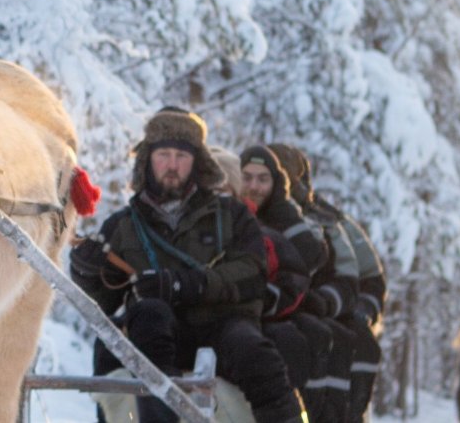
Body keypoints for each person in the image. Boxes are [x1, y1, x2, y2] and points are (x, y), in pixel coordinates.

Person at [70, 108, 304, 423]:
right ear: (147, 160)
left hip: (223, 326)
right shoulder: (123, 225)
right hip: (156, 332)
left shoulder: (231, 215)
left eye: (181, 156)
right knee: (148, 314)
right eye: (163, 154)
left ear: (197, 163)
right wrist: (87, 271)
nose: (172, 165)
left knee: (256, 353)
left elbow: (251, 272)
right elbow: (105, 301)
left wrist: (186, 284)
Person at [270, 143, 387, 423]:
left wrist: (355, 309)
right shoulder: (251, 210)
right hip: (287, 310)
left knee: (354, 343)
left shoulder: (331, 221)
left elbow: (367, 275)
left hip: (331, 310)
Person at [239, 145, 347, 421]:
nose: (254, 186)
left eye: (262, 179)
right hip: (244, 311)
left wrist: (324, 299)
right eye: (247, 178)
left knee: (325, 336)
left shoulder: (293, 214)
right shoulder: (230, 213)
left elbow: (314, 259)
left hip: (284, 306)